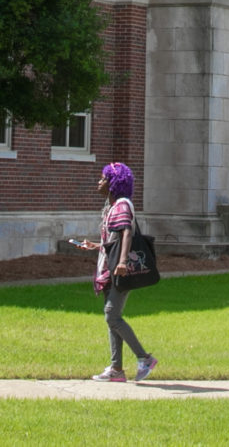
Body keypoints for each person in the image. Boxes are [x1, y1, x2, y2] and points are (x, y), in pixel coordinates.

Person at [82, 161, 156, 383]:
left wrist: (122, 262)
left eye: (104, 178)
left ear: (114, 183)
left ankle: (145, 358)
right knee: (112, 318)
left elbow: (126, 233)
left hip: (119, 269)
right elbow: (113, 239)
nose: (100, 182)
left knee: (111, 315)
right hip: (110, 267)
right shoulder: (112, 206)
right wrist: (96, 246)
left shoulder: (122, 205)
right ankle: (116, 369)